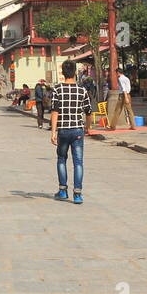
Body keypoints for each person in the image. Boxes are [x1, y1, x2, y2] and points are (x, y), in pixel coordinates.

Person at [50, 60, 91, 205]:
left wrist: (53, 132)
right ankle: (77, 194)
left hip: (62, 131)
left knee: (62, 159)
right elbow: (88, 111)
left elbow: (55, 111)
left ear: (62, 72)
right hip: (77, 130)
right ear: (74, 72)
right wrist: (88, 127)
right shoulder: (82, 90)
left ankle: (62, 191)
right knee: (78, 162)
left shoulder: (57, 89)